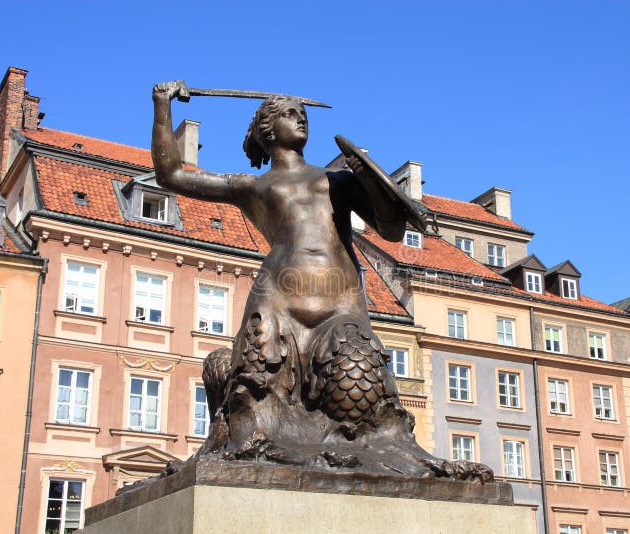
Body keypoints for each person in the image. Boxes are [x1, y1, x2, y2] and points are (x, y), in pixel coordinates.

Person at [151, 82, 491, 479]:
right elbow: (171, 174)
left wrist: (368, 179)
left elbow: (392, 228)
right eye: (289, 113)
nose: (300, 118)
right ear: (266, 129)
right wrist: (163, 106)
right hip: (276, 305)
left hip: (339, 309)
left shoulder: (338, 181)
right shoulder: (252, 185)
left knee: (361, 394)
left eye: (303, 113)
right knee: (254, 401)